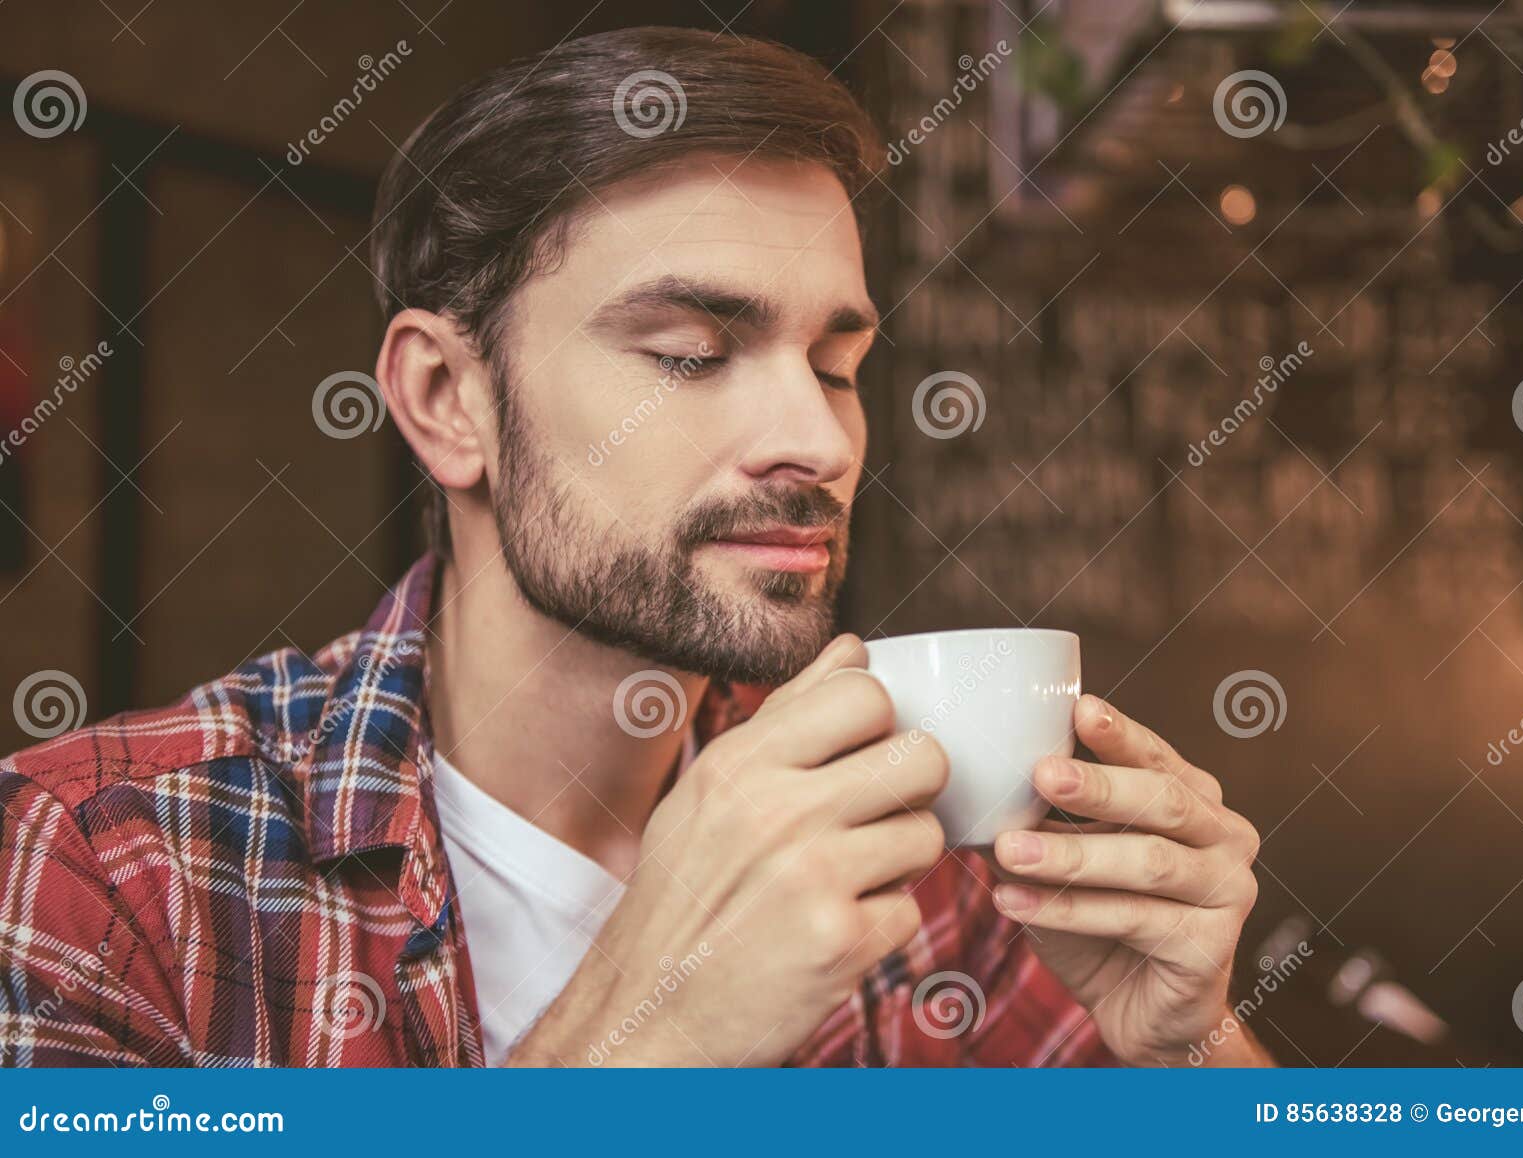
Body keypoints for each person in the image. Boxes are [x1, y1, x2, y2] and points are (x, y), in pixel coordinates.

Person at [0, 26, 1268, 1067]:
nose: (816, 441)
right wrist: (642, 1042)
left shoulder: (920, 835)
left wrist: (1185, 1049)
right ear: (446, 399)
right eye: (690, 356)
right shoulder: (103, 869)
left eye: (837, 365)